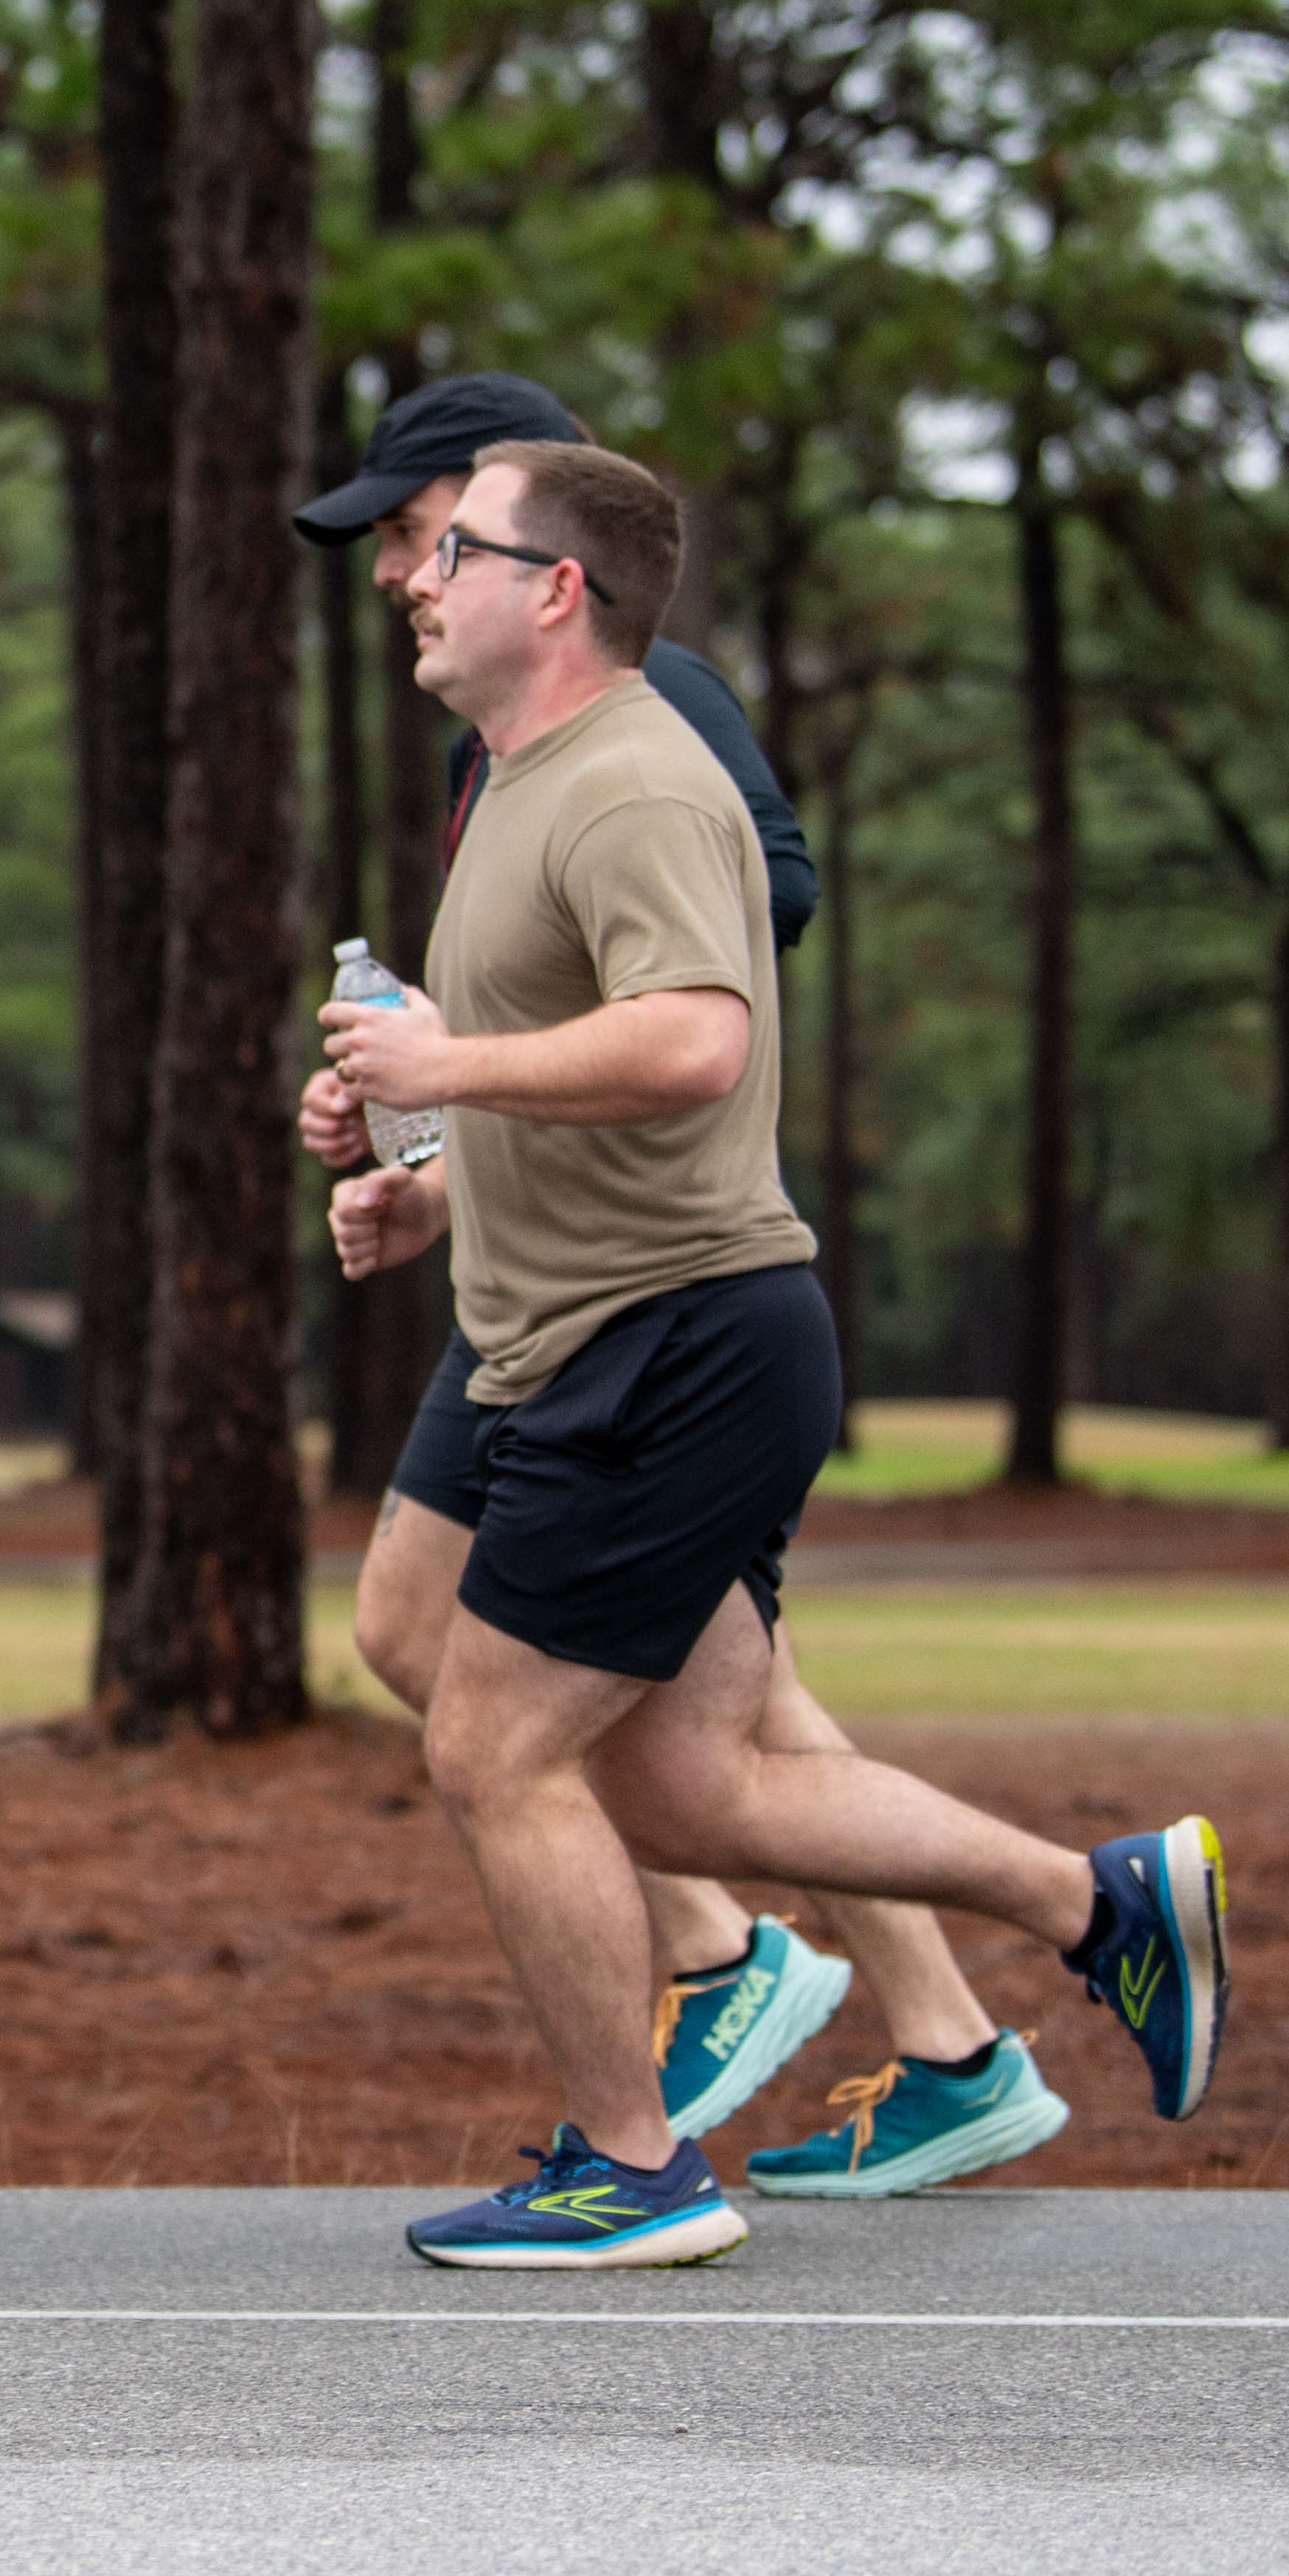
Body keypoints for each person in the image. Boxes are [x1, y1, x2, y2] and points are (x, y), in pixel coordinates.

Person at [319, 436, 1227, 2268]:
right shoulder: (517, 777)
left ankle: (630, 2167)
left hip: (672, 1349)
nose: (416, 581)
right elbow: (590, 1076)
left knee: (500, 1751)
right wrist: (432, 1191)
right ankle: (1101, 1901)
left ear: (555, 588)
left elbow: (697, 1045)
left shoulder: (639, 784)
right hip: (595, 1337)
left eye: (454, 554)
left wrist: (448, 1074)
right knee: (691, 1783)